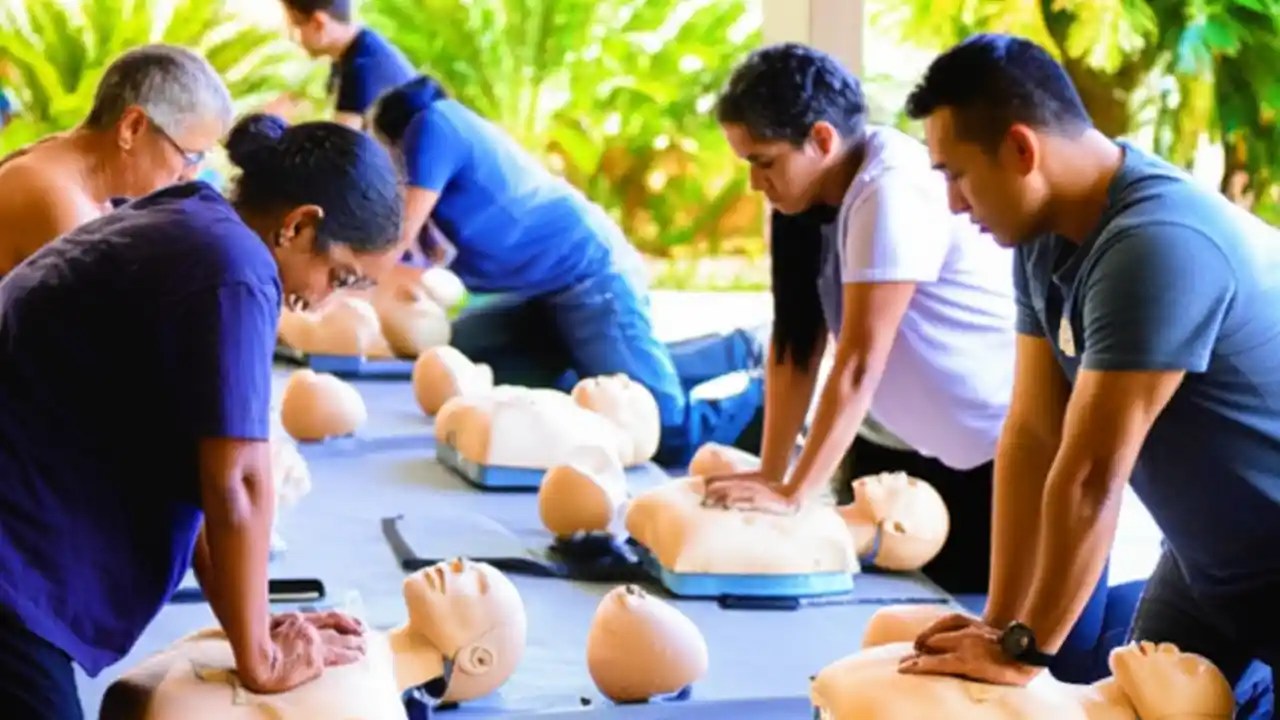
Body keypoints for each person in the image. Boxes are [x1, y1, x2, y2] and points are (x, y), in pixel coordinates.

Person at [898, 33, 1280, 715]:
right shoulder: (1044, 237)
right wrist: (999, 623)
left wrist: (1025, 648)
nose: (954, 204)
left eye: (955, 173)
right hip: (1206, 562)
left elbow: (1091, 472)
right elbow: (1031, 435)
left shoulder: (1156, 244)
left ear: (1021, 150)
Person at [0, 113, 405, 716]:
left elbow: (206, 492)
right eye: (339, 276)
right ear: (298, 224)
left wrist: (257, 629)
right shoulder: (233, 269)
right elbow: (237, 480)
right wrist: (262, 660)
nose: (323, 302)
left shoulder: (197, 224)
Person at [700, 43, 1015, 599]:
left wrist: (797, 491)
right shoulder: (801, 204)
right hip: (892, 451)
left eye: (763, 161)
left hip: (992, 458)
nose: (755, 183)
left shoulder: (891, 187)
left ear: (821, 140)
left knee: (980, 628)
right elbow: (796, 345)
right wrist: (774, 474)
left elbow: (861, 358)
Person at [369, 75, 768, 466]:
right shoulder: (443, 188)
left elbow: (392, 245)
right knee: (468, 352)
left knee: (657, 431)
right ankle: (737, 348)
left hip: (592, 279)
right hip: (545, 294)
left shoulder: (438, 125)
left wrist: (346, 286)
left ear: (394, 143)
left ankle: (763, 397)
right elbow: (404, 268)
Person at [0, 44, 231, 276]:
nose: (189, 175)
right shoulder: (59, 202)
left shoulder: (63, 168)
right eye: (189, 156)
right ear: (132, 128)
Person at [280, 0, 415, 129]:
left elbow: (339, 147)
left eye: (295, 26)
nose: (292, 37)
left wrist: (276, 123)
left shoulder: (361, 69)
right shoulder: (358, 51)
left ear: (318, 24)